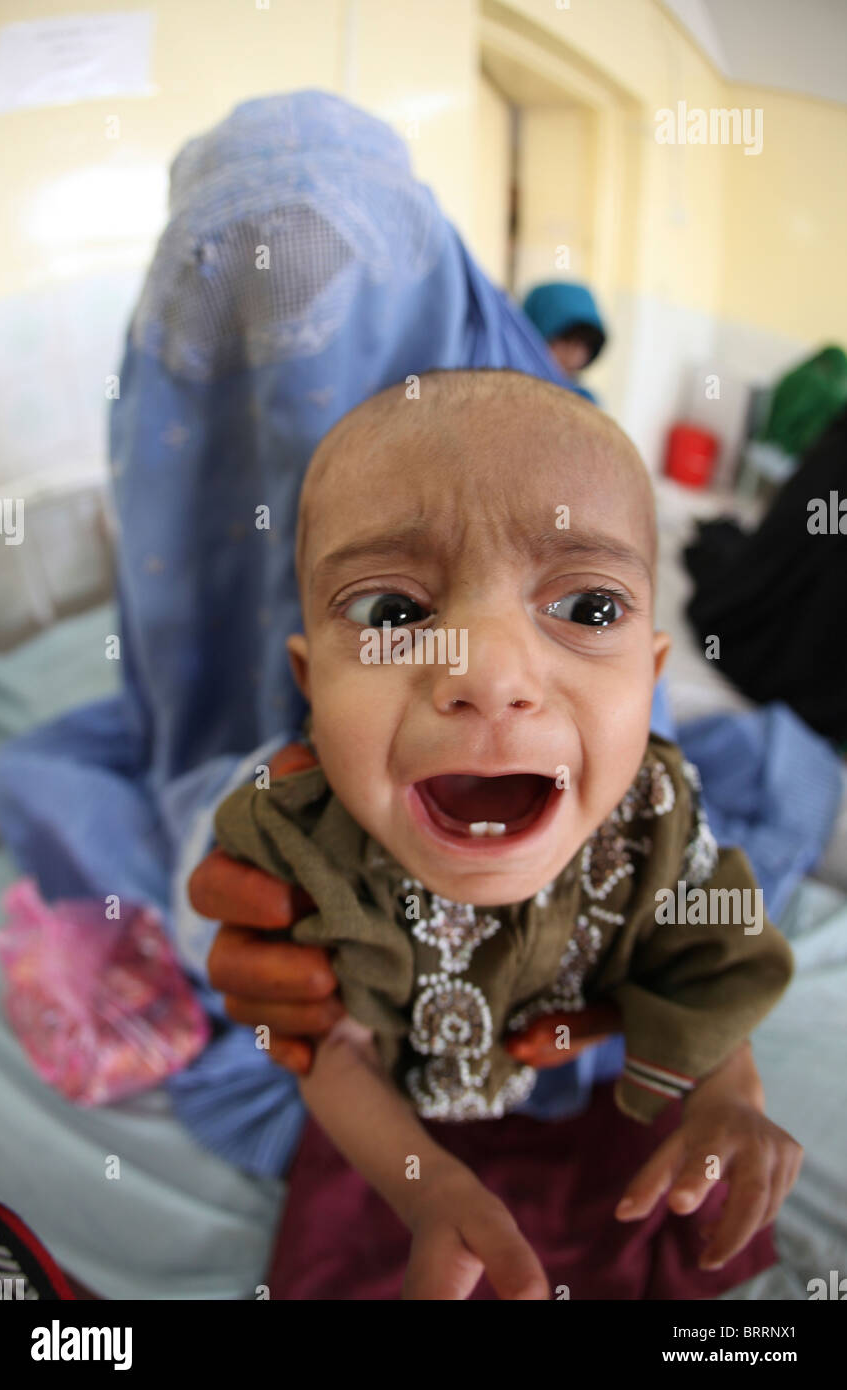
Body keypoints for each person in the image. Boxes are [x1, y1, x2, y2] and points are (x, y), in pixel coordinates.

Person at [205, 368, 799, 1300]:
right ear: (310, 682)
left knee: (666, 1235)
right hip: (402, 1131)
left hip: (603, 1093)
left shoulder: (654, 826)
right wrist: (427, 1186)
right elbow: (331, 1048)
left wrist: (727, 1096)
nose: (488, 675)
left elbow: (706, 969)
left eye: (587, 609)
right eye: (394, 613)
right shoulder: (309, 849)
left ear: (650, 683)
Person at [521, 281, 607, 401]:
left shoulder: (584, 402)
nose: (574, 355)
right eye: (566, 341)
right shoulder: (508, 394)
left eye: (586, 345)